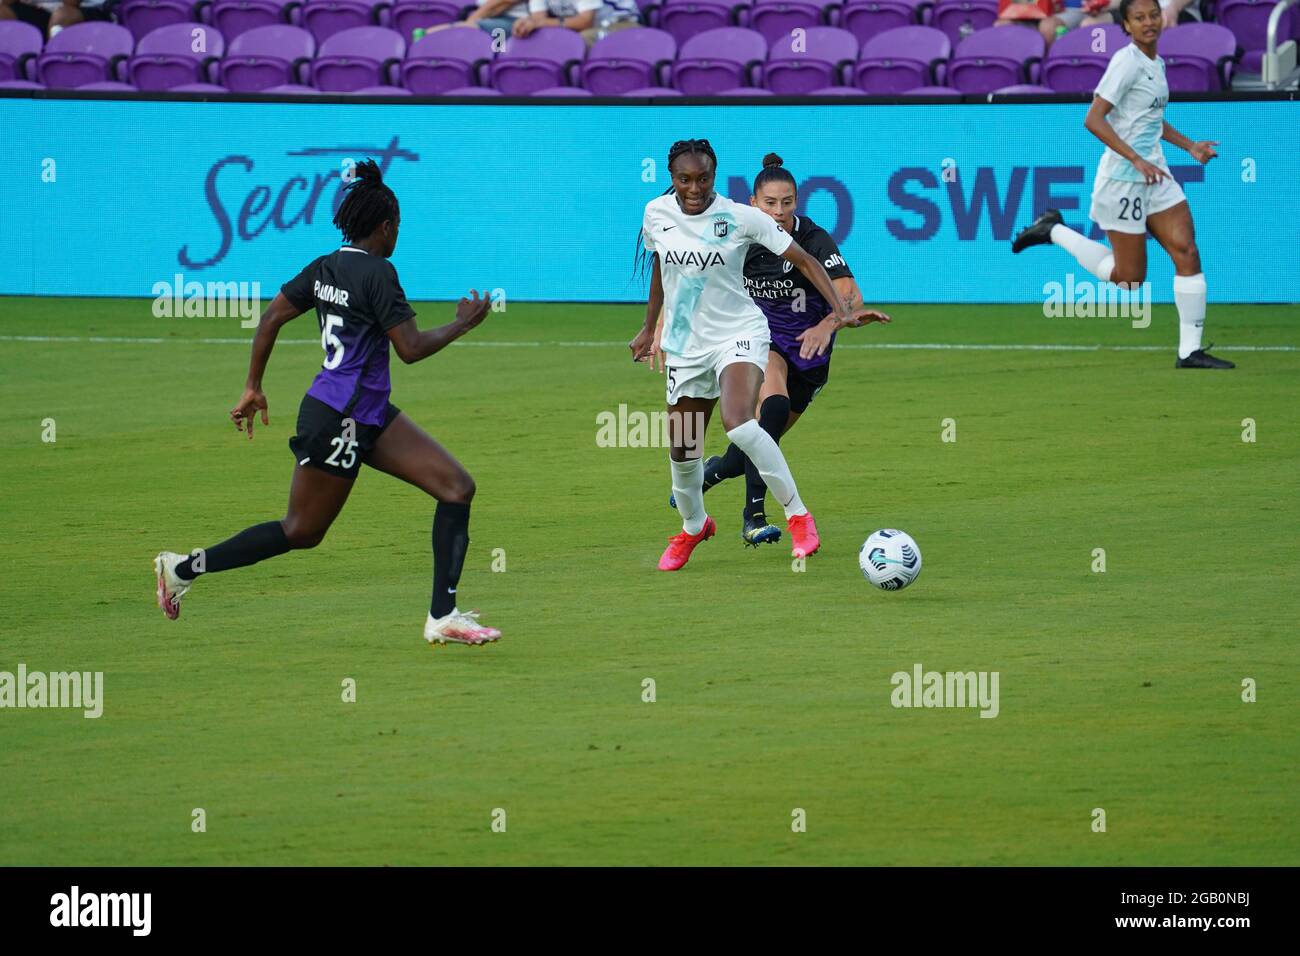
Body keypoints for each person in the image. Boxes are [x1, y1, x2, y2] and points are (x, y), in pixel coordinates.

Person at [154, 160, 505, 645]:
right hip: (341, 418)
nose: (397, 233)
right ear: (384, 227)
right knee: (302, 531)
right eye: (397, 225)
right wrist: (463, 323)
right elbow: (411, 349)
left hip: (367, 413)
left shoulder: (325, 267)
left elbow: (272, 317)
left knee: (456, 487)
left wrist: (253, 384)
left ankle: (442, 616)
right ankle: (182, 568)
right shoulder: (379, 272)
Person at [629, 138, 867, 571]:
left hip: (739, 333)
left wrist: (837, 311)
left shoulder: (741, 217)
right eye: (685, 179)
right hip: (686, 345)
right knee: (683, 453)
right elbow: (662, 270)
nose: (694, 187)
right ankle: (693, 525)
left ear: (714, 176)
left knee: (739, 421)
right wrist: (650, 328)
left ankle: (798, 516)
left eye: (703, 178)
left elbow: (805, 260)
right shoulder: (656, 214)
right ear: (673, 179)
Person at [1011, 0, 1231, 369]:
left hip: (1154, 173)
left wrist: (1189, 145)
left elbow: (1150, 120)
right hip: (1123, 180)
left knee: (1186, 251)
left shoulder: (1155, 63)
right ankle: (1054, 231)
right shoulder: (1126, 62)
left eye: (1154, 15)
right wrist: (1134, 158)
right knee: (1129, 281)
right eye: (1139, 18)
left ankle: (1189, 352)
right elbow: (1093, 119)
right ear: (1126, 26)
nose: (1150, 23)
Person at [512, 0, 640, 45]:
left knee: (581, 39)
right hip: (583, 26)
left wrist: (539, 23)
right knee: (535, 37)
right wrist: (526, 25)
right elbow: (538, 19)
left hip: (621, 22)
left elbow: (586, 21)